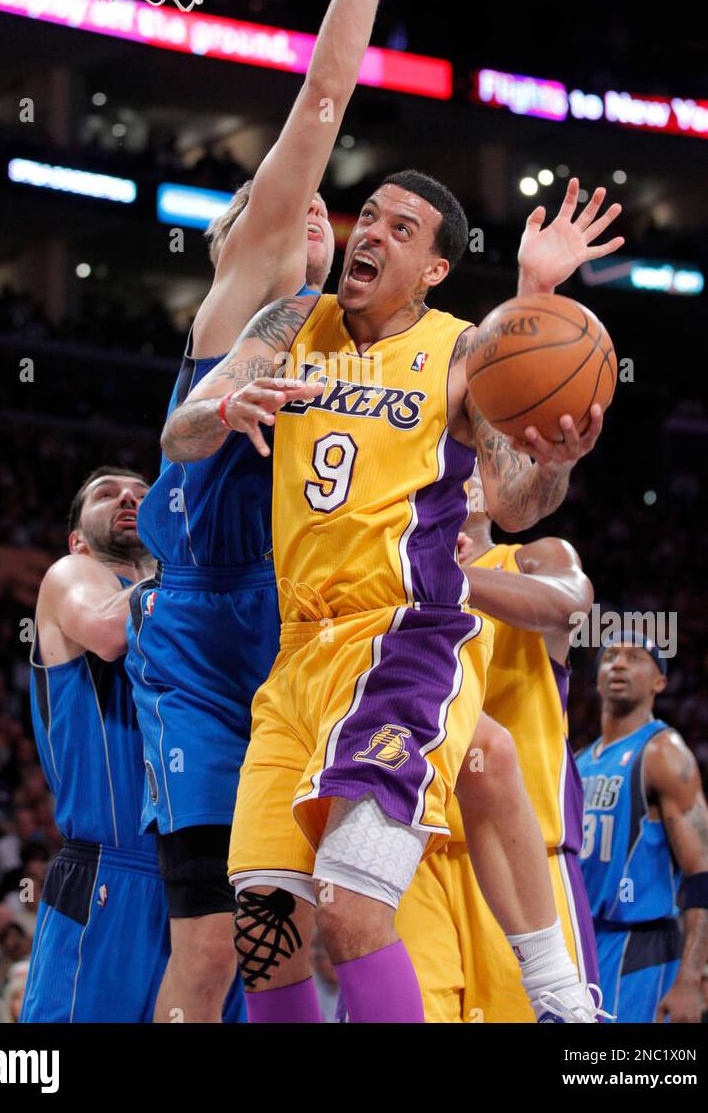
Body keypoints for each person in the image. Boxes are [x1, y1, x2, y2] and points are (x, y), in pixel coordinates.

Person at [126, 0, 474, 1024]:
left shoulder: (346, 335)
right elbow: (320, 104)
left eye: (359, 219)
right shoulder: (259, 291)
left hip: (301, 619)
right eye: (305, 208)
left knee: (290, 931)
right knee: (224, 946)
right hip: (203, 629)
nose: (322, 217)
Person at [162, 159, 610, 1021]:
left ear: (435, 269)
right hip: (297, 653)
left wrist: (552, 463)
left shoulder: (464, 348)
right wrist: (224, 408)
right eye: (367, 215)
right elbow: (179, 436)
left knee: (351, 910)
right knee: (262, 928)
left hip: (406, 637)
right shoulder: (291, 321)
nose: (369, 233)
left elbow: (515, 501)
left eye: (401, 230)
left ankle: (556, 993)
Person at [395, 469, 599, 1021]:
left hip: (524, 863)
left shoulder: (534, 555)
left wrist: (450, 576)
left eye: (479, 457)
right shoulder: (393, 571)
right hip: (412, 855)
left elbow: (570, 605)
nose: (465, 468)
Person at [19, 468, 178, 1024]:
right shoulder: (73, 574)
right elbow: (111, 635)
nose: (129, 497)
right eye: (107, 493)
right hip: (108, 871)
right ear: (77, 537)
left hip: (201, 866)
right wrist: (195, 567)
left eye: (140, 492)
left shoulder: (181, 597)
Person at [577, 631, 708, 1022]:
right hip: (581, 943)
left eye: (635, 657)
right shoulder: (577, 763)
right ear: (596, 679)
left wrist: (689, 981)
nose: (619, 663)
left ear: (660, 681)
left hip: (640, 946)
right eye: (610, 656)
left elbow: (704, 875)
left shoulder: (663, 752)